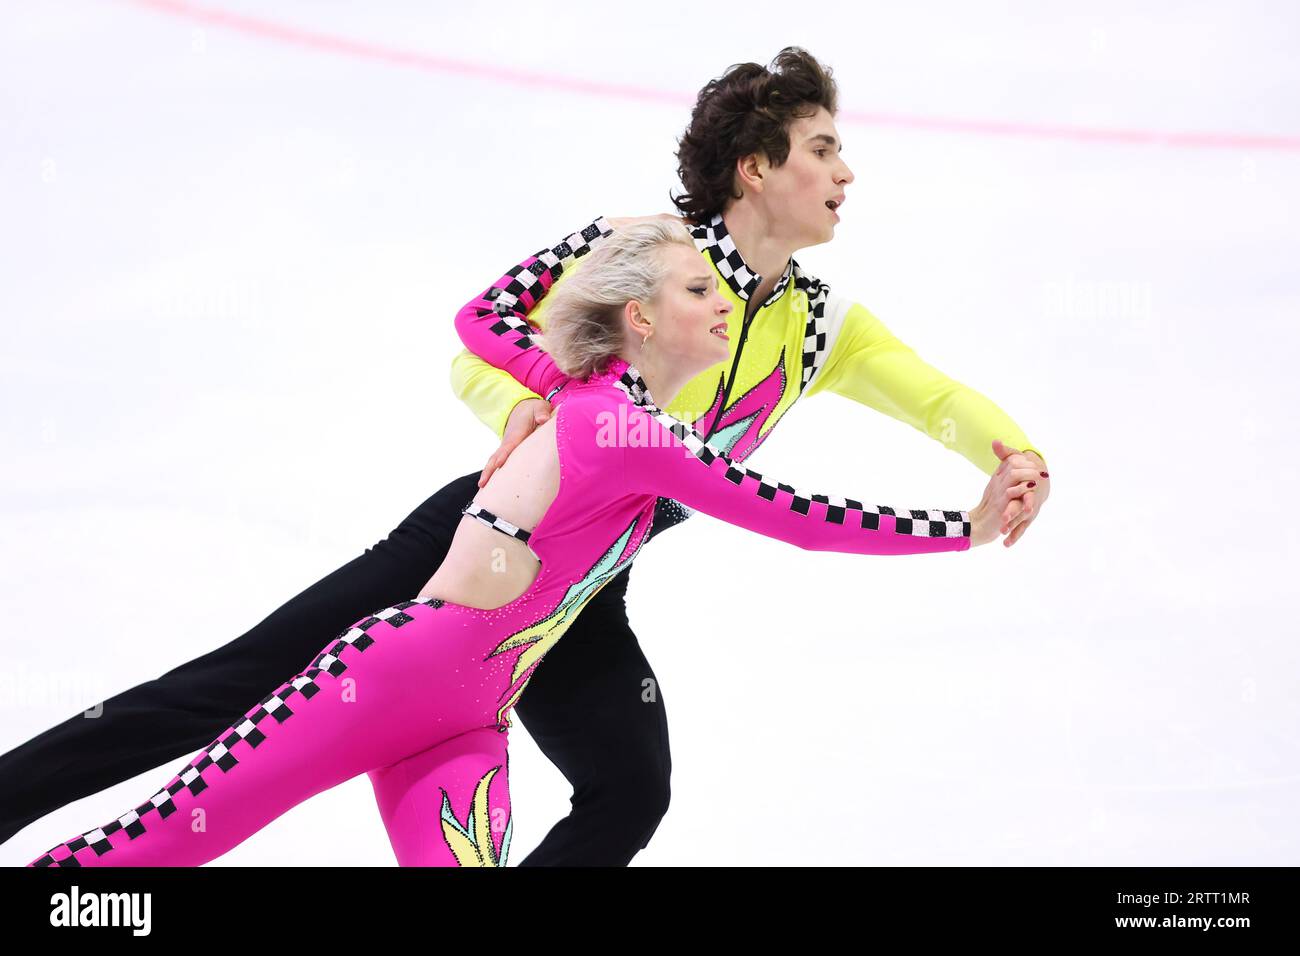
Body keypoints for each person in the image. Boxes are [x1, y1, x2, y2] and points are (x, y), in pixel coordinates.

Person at [1, 47, 1050, 866]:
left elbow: (936, 397)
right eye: (822, 147)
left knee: (631, 785)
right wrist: (541, 403)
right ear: (758, 166)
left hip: (588, 577)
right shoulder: (651, 259)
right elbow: (481, 349)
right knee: (221, 693)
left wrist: (1014, 454)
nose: (844, 169)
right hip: (486, 535)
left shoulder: (818, 327)